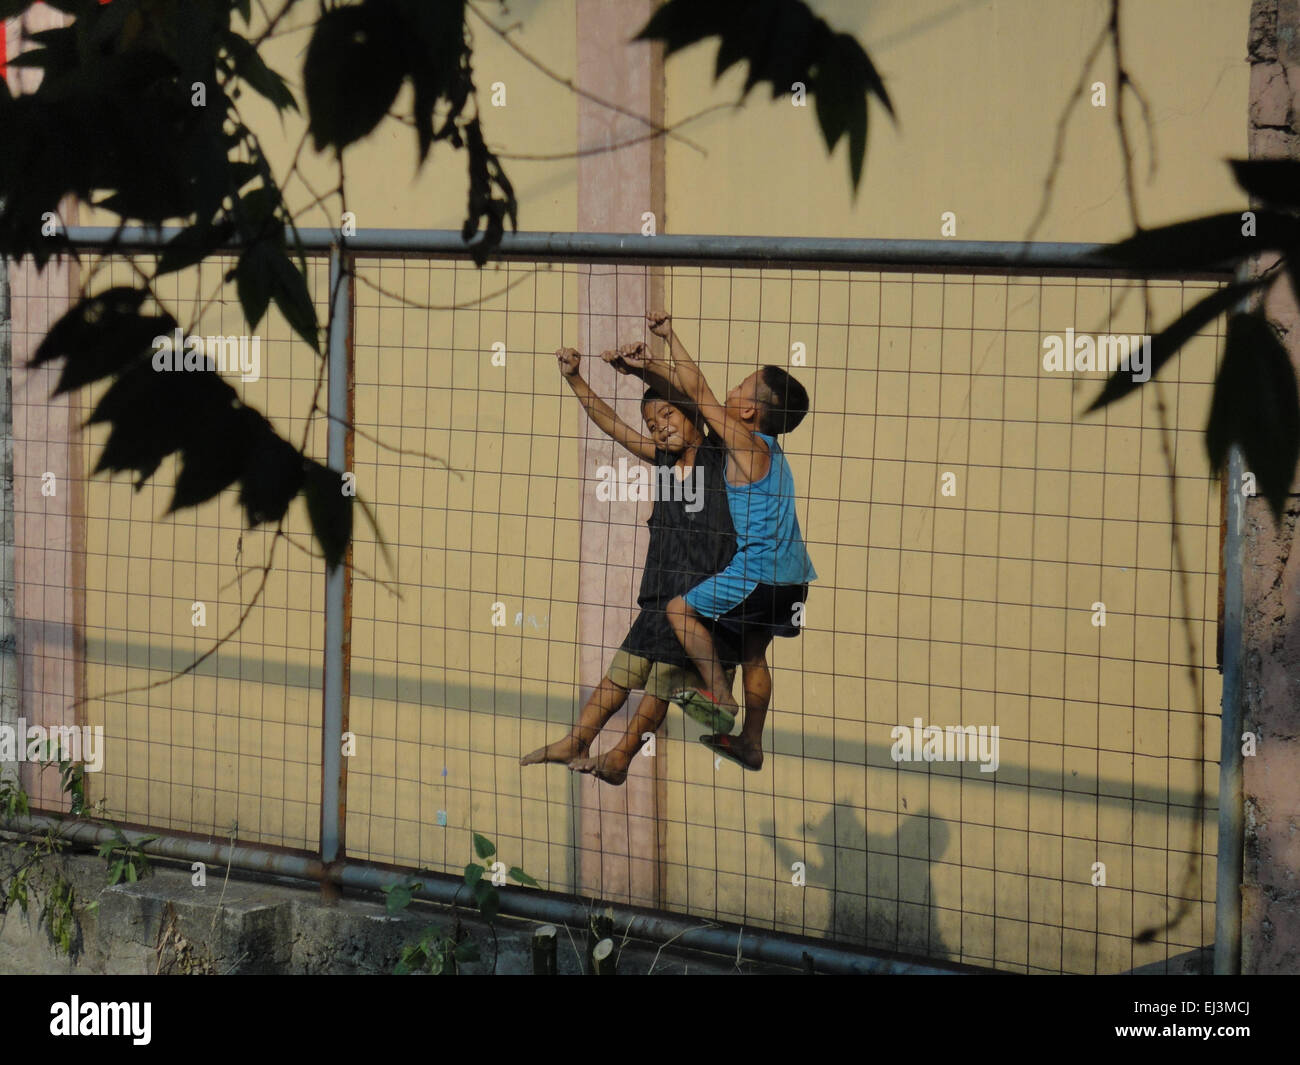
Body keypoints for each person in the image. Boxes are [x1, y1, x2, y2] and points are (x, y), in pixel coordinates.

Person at [519, 346, 740, 784]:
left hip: (697, 601)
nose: (659, 429)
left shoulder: (719, 457)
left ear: (693, 415)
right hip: (659, 592)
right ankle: (579, 738)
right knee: (621, 672)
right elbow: (614, 426)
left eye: (668, 416)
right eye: (652, 424)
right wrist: (575, 379)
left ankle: (621, 755)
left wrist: (648, 365)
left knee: (662, 682)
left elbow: (695, 390)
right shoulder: (662, 461)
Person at [610, 313, 816, 772]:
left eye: (742, 386)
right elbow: (689, 397)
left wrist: (668, 337)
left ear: (748, 410)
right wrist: (643, 371)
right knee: (755, 655)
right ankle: (751, 744)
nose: (733, 390)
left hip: (758, 571)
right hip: (795, 577)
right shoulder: (769, 450)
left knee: (679, 610)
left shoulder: (744, 442)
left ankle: (719, 694)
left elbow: (697, 393)